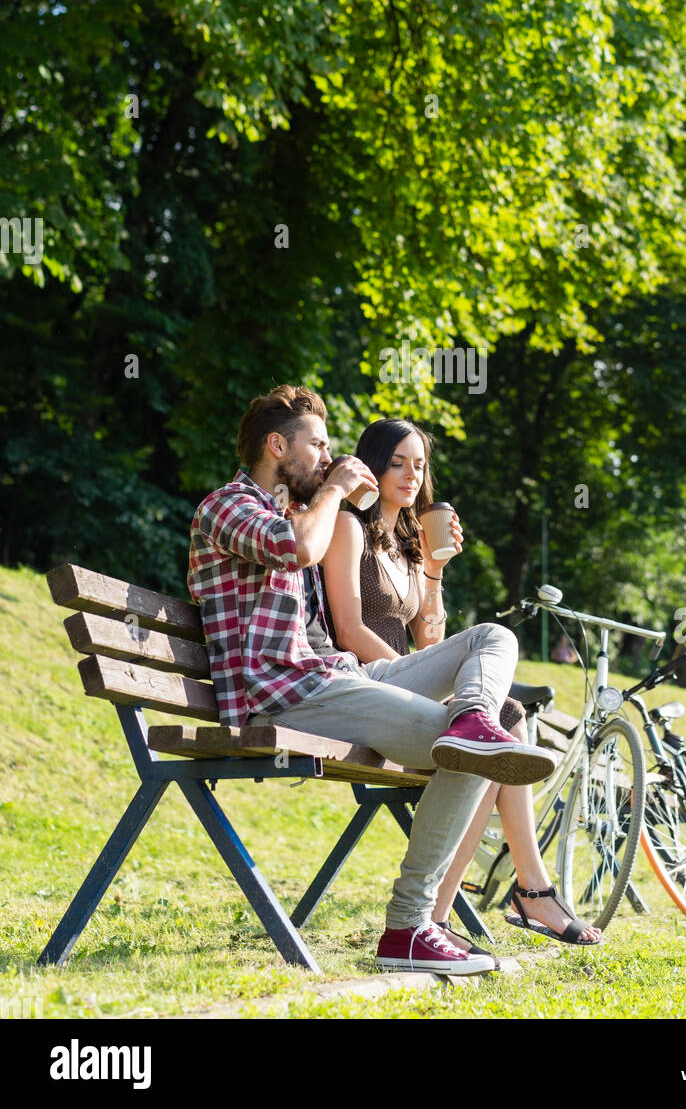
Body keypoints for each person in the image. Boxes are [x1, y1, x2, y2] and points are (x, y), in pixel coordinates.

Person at [188, 385, 555, 977]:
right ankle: (411, 927)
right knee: (479, 756)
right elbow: (300, 550)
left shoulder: (294, 511)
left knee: (494, 639)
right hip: (283, 697)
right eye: (318, 446)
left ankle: (473, 718)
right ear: (277, 447)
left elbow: (387, 624)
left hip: (332, 678)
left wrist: (429, 568)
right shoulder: (227, 506)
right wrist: (335, 492)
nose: (329, 460)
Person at [322, 417, 603, 947]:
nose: (410, 475)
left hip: (401, 679)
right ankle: (521, 893)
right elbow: (349, 628)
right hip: (363, 687)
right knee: (493, 712)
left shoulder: (406, 548)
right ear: (374, 463)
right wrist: (415, 688)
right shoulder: (347, 526)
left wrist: (434, 569)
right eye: (398, 462)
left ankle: (454, 911)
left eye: (419, 466)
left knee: (501, 727)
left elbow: (429, 643)